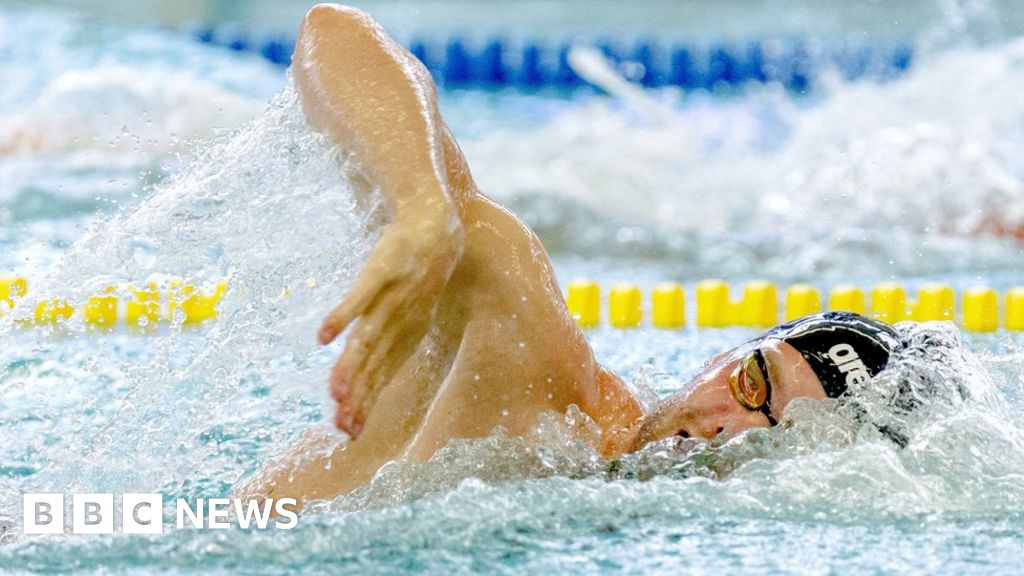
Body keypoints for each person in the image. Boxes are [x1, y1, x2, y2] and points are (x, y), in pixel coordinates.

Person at [238, 4, 909, 509]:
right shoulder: (540, 375)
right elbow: (333, 34)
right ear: (718, 356)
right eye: (752, 383)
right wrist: (422, 211)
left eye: (780, 437)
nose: (727, 430)